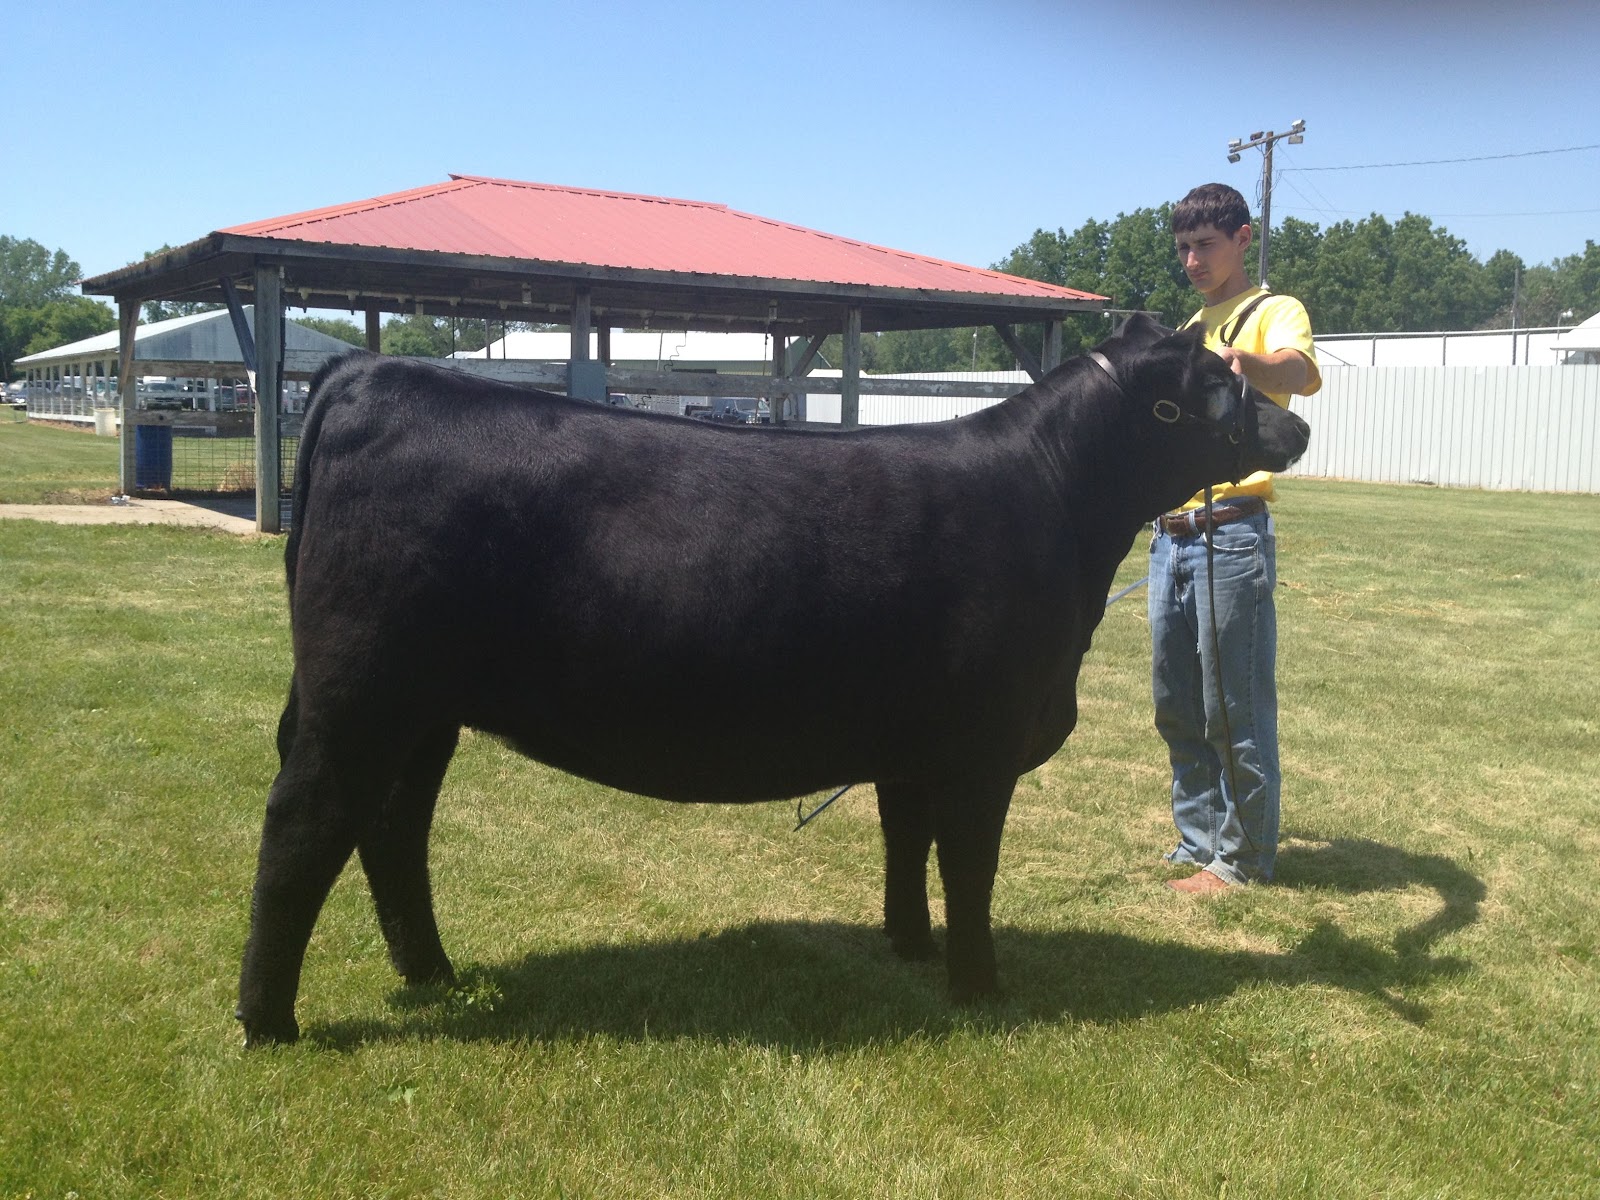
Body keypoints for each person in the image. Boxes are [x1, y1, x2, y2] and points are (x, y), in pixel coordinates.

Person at [1153, 182, 1321, 894]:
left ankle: (1243, 859)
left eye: (1205, 246)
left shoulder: (1272, 312)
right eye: (1183, 249)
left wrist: (1244, 365)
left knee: (1234, 707)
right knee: (1177, 704)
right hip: (1171, 537)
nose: (1192, 260)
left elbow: (1300, 372)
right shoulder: (1192, 324)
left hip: (1231, 535)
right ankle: (1197, 841)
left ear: (1243, 239)